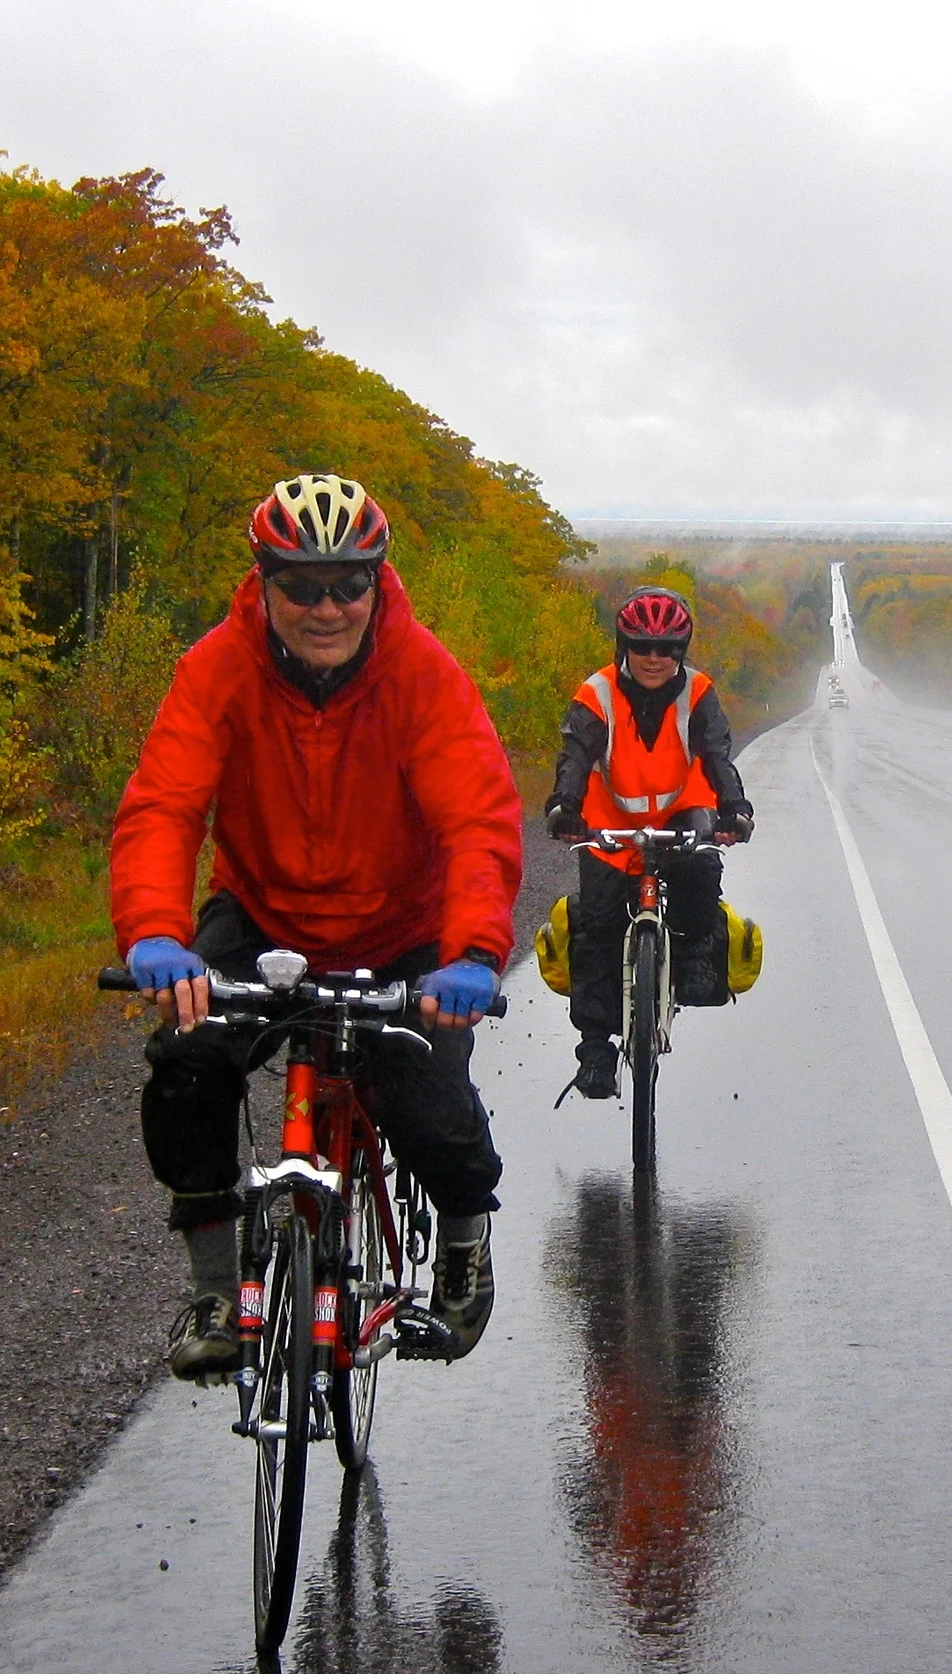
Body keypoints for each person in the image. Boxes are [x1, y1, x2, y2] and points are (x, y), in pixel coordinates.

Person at [111, 473, 522, 1382]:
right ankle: (218, 1289)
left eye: (348, 584)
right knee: (185, 1066)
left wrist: (472, 953)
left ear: (378, 583)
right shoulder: (217, 667)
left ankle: (462, 1235)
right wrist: (154, 933)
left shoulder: (423, 675)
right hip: (264, 915)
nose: (325, 607)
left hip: (401, 927)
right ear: (263, 583)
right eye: (300, 585)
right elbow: (163, 806)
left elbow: (478, 821)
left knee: (426, 1097)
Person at [544, 585, 754, 1098]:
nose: (655, 658)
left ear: (683, 650)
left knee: (701, 877)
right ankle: (595, 1050)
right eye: (643, 647)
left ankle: (689, 964)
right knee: (596, 926)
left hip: (683, 813)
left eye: (669, 649)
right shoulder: (596, 692)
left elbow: (717, 754)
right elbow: (575, 753)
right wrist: (563, 807)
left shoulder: (698, 691)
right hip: (609, 821)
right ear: (624, 645)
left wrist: (735, 809)